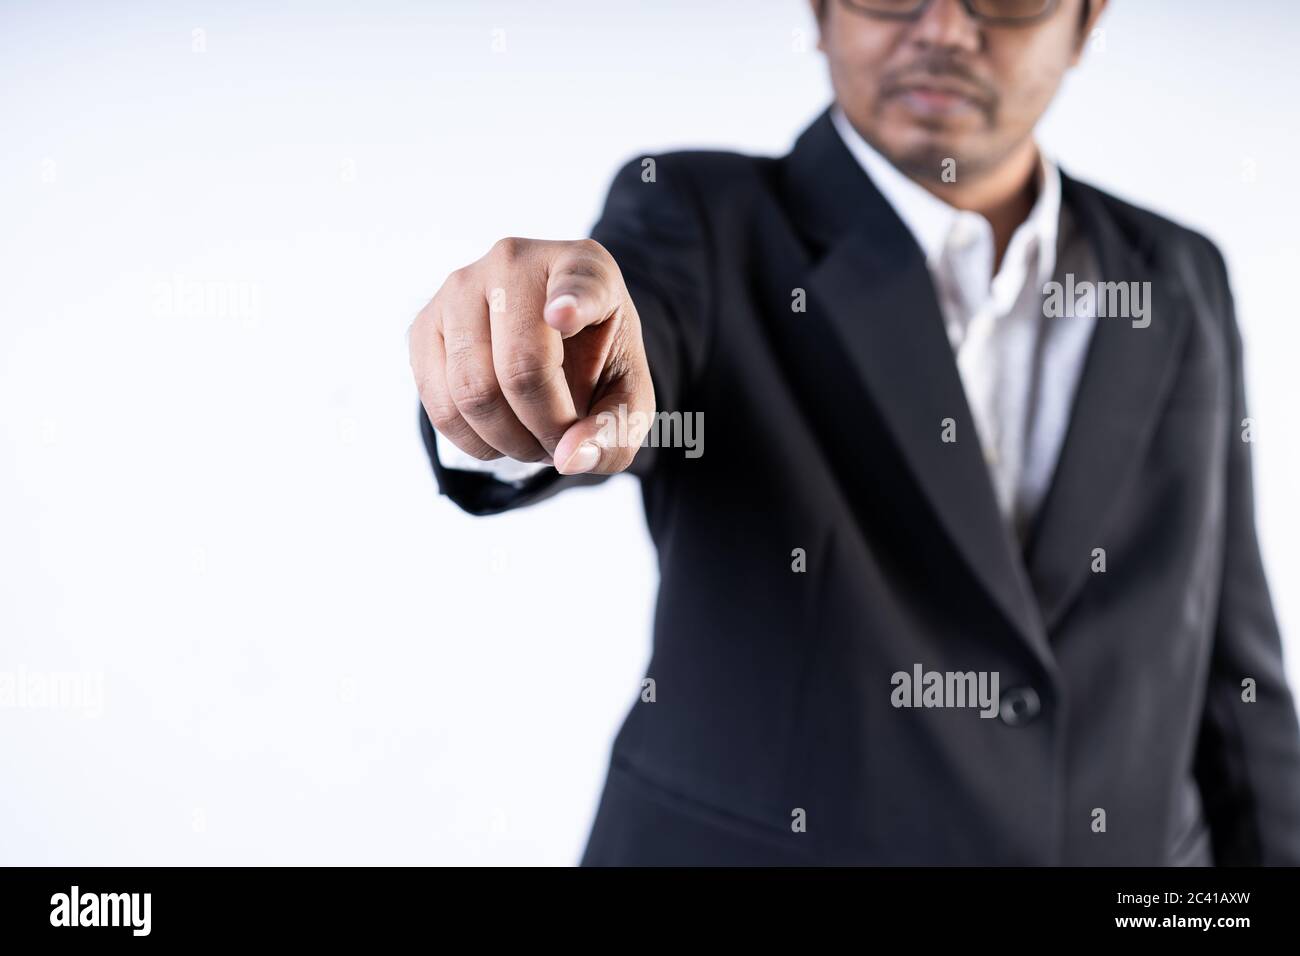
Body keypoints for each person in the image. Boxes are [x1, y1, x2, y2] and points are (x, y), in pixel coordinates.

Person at [407, 0, 1300, 864]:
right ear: (821, 9)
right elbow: (630, 338)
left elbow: (1233, 665)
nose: (946, 27)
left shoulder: (1180, 274)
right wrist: (538, 361)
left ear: (1088, 19)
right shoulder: (700, 220)